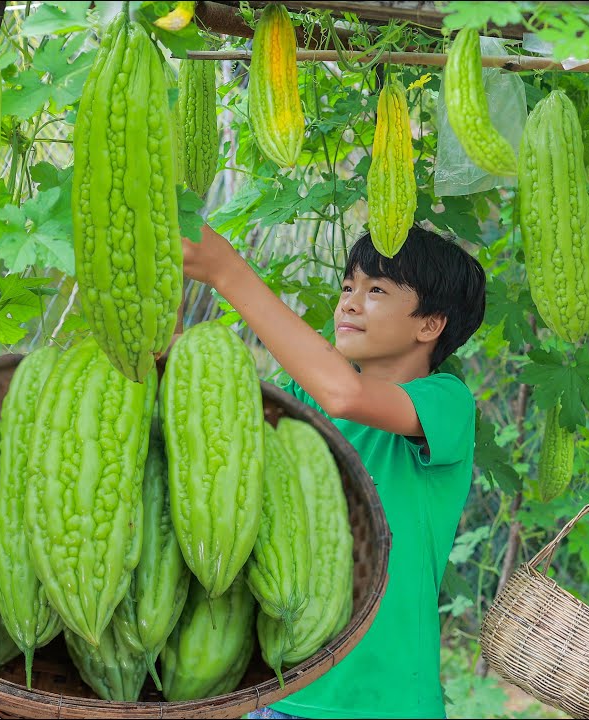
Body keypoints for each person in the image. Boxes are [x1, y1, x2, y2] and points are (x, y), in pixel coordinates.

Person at [181, 222, 487, 719]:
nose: (348, 301)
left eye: (376, 291)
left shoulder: (445, 403)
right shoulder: (298, 398)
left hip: (381, 703)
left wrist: (228, 272)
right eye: (347, 286)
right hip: (275, 691)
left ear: (429, 324)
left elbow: (343, 395)